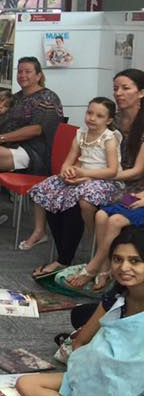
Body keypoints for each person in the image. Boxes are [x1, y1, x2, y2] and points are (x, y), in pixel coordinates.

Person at [16, 227, 144, 396]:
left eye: (135, 261)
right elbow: (82, 340)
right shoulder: (116, 296)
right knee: (27, 384)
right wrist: (91, 372)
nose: (124, 267)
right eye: (117, 259)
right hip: (100, 375)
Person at [62, 71, 144, 291]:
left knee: (113, 219)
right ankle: (104, 261)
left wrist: (91, 174)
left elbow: (136, 171)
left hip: (135, 187)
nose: (119, 93)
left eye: (126, 88)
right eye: (116, 88)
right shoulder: (112, 119)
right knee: (96, 212)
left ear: (141, 92)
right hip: (115, 182)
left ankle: (96, 265)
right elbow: (91, 152)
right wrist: (79, 170)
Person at [25, 98, 121, 273]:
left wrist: (84, 175)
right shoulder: (81, 134)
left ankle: (67, 256)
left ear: (109, 120)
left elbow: (112, 171)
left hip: (103, 181)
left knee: (71, 199)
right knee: (48, 191)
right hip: (81, 176)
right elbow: (68, 161)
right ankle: (61, 250)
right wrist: (66, 173)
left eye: (99, 116)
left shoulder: (109, 138)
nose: (92, 118)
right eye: (89, 113)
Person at [0, 57, 64, 226]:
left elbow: (37, 129)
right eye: (20, 71)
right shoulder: (16, 97)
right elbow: (2, 123)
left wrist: (0, 138)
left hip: (35, 151)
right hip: (11, 147)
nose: (22, 75)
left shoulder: (48, 98)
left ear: (38, 75)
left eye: (28, 71)